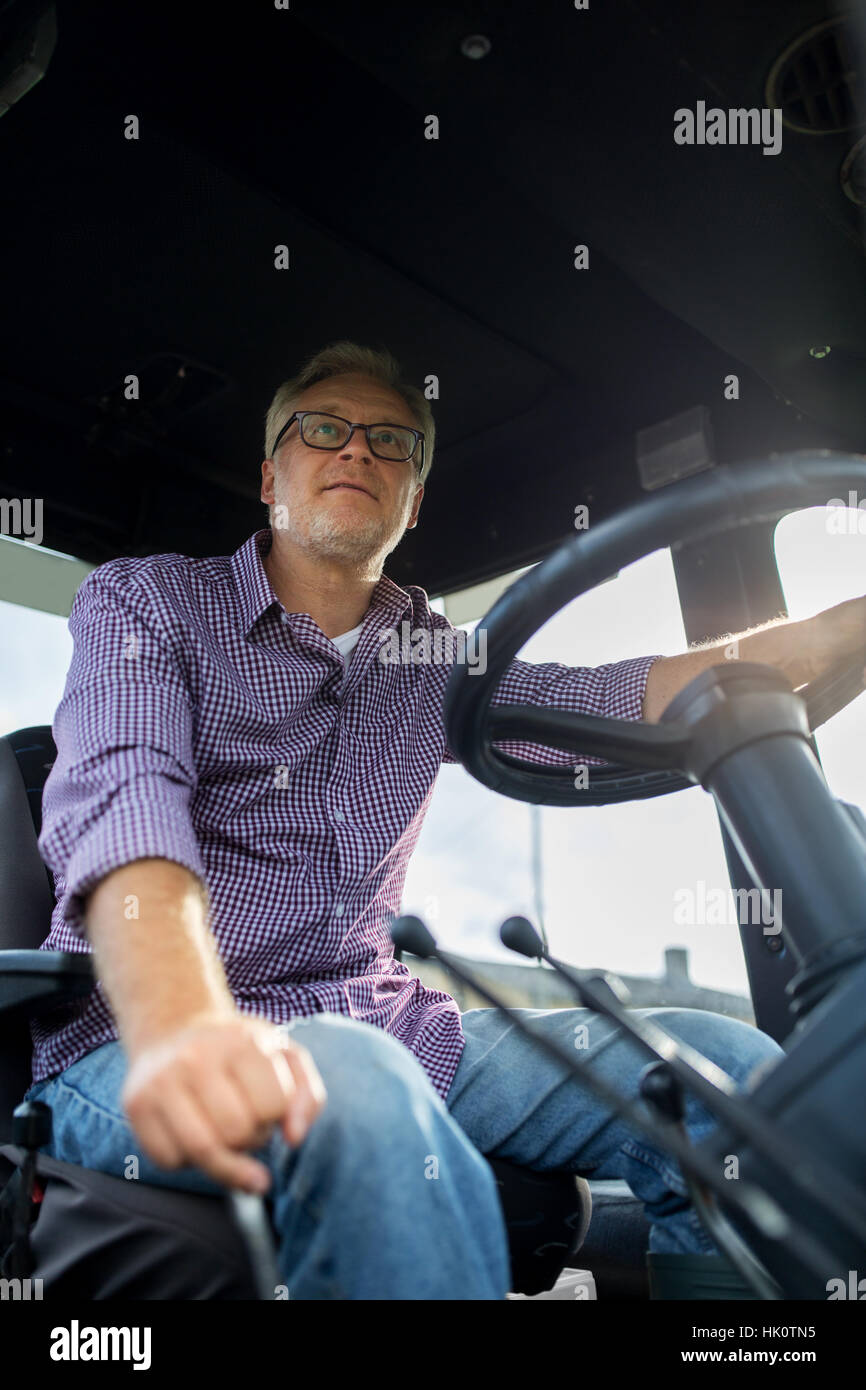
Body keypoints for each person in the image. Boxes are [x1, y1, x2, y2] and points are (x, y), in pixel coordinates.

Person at [21, 340, 866, 1299]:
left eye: (392, 443)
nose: (357, 453)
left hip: (383, 1024)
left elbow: (639, 693)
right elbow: (124, 796)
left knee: (727, 1076)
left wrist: (848, 626)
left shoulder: (432, 659)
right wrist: (182, 1023)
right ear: (271, 475)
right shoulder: (150, 601)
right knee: (353, 1079)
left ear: (412, 502)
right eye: (324, 430)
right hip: (140, 1037)